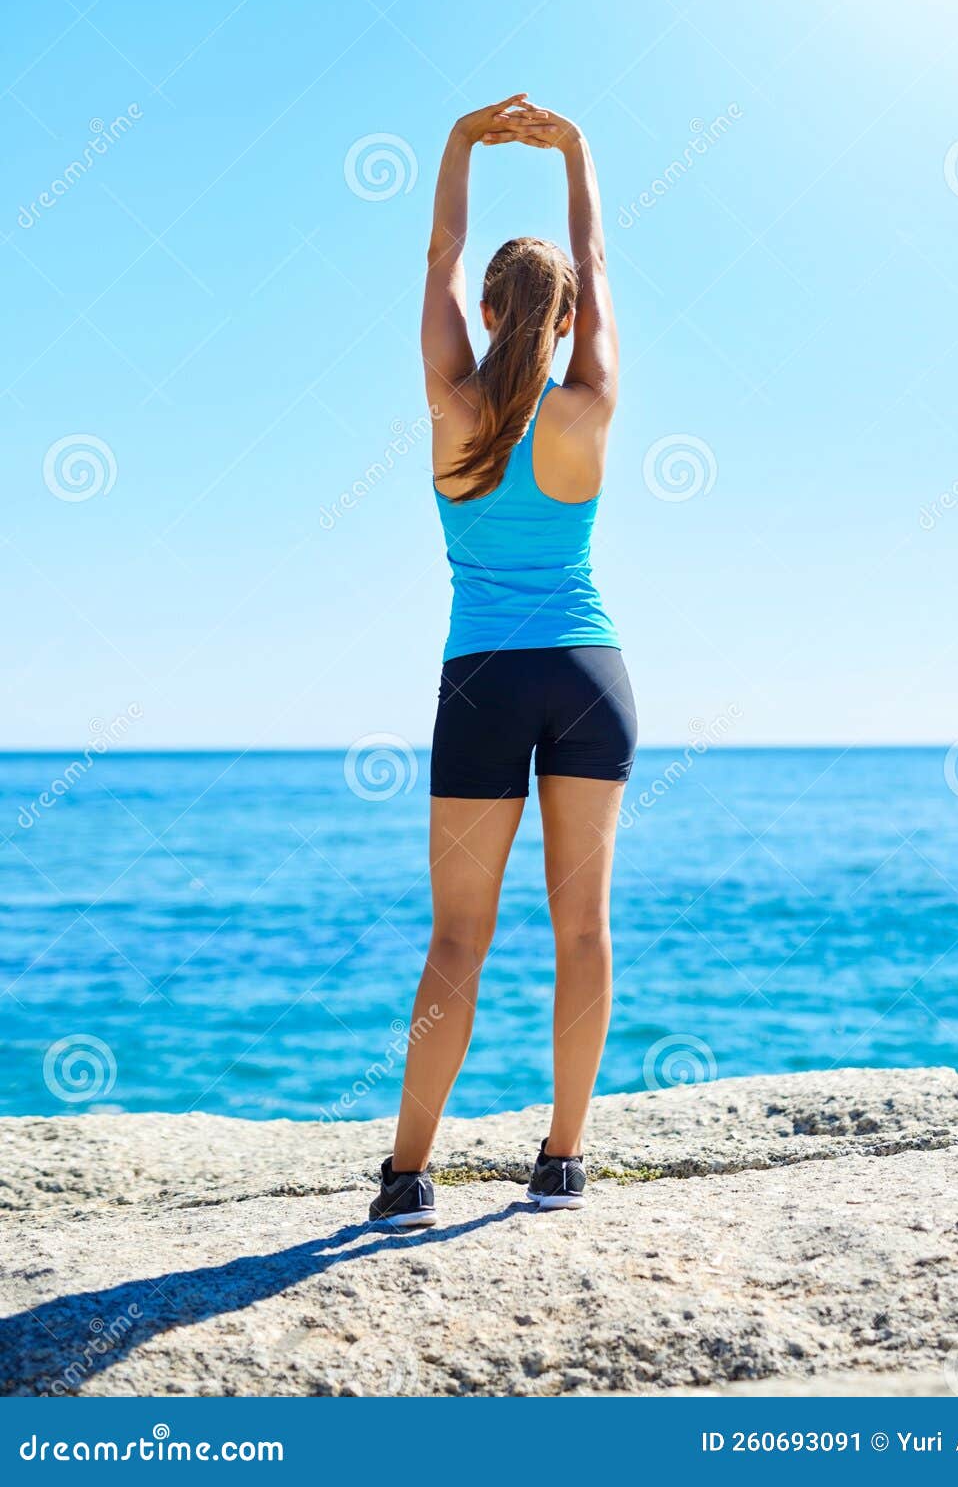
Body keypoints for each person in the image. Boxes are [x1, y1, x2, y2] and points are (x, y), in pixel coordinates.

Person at [370, 96, 636, 1224]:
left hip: (482, 679)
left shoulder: (451, 401)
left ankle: (406, 1177)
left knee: (455, 939)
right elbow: (594, 257)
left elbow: (438, 252)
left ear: (485, 311)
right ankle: (561, 1162)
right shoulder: (590, 403)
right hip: (587, 674)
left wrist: (460, 141)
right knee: (582, 929)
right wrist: (576, 151)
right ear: (567, 320)